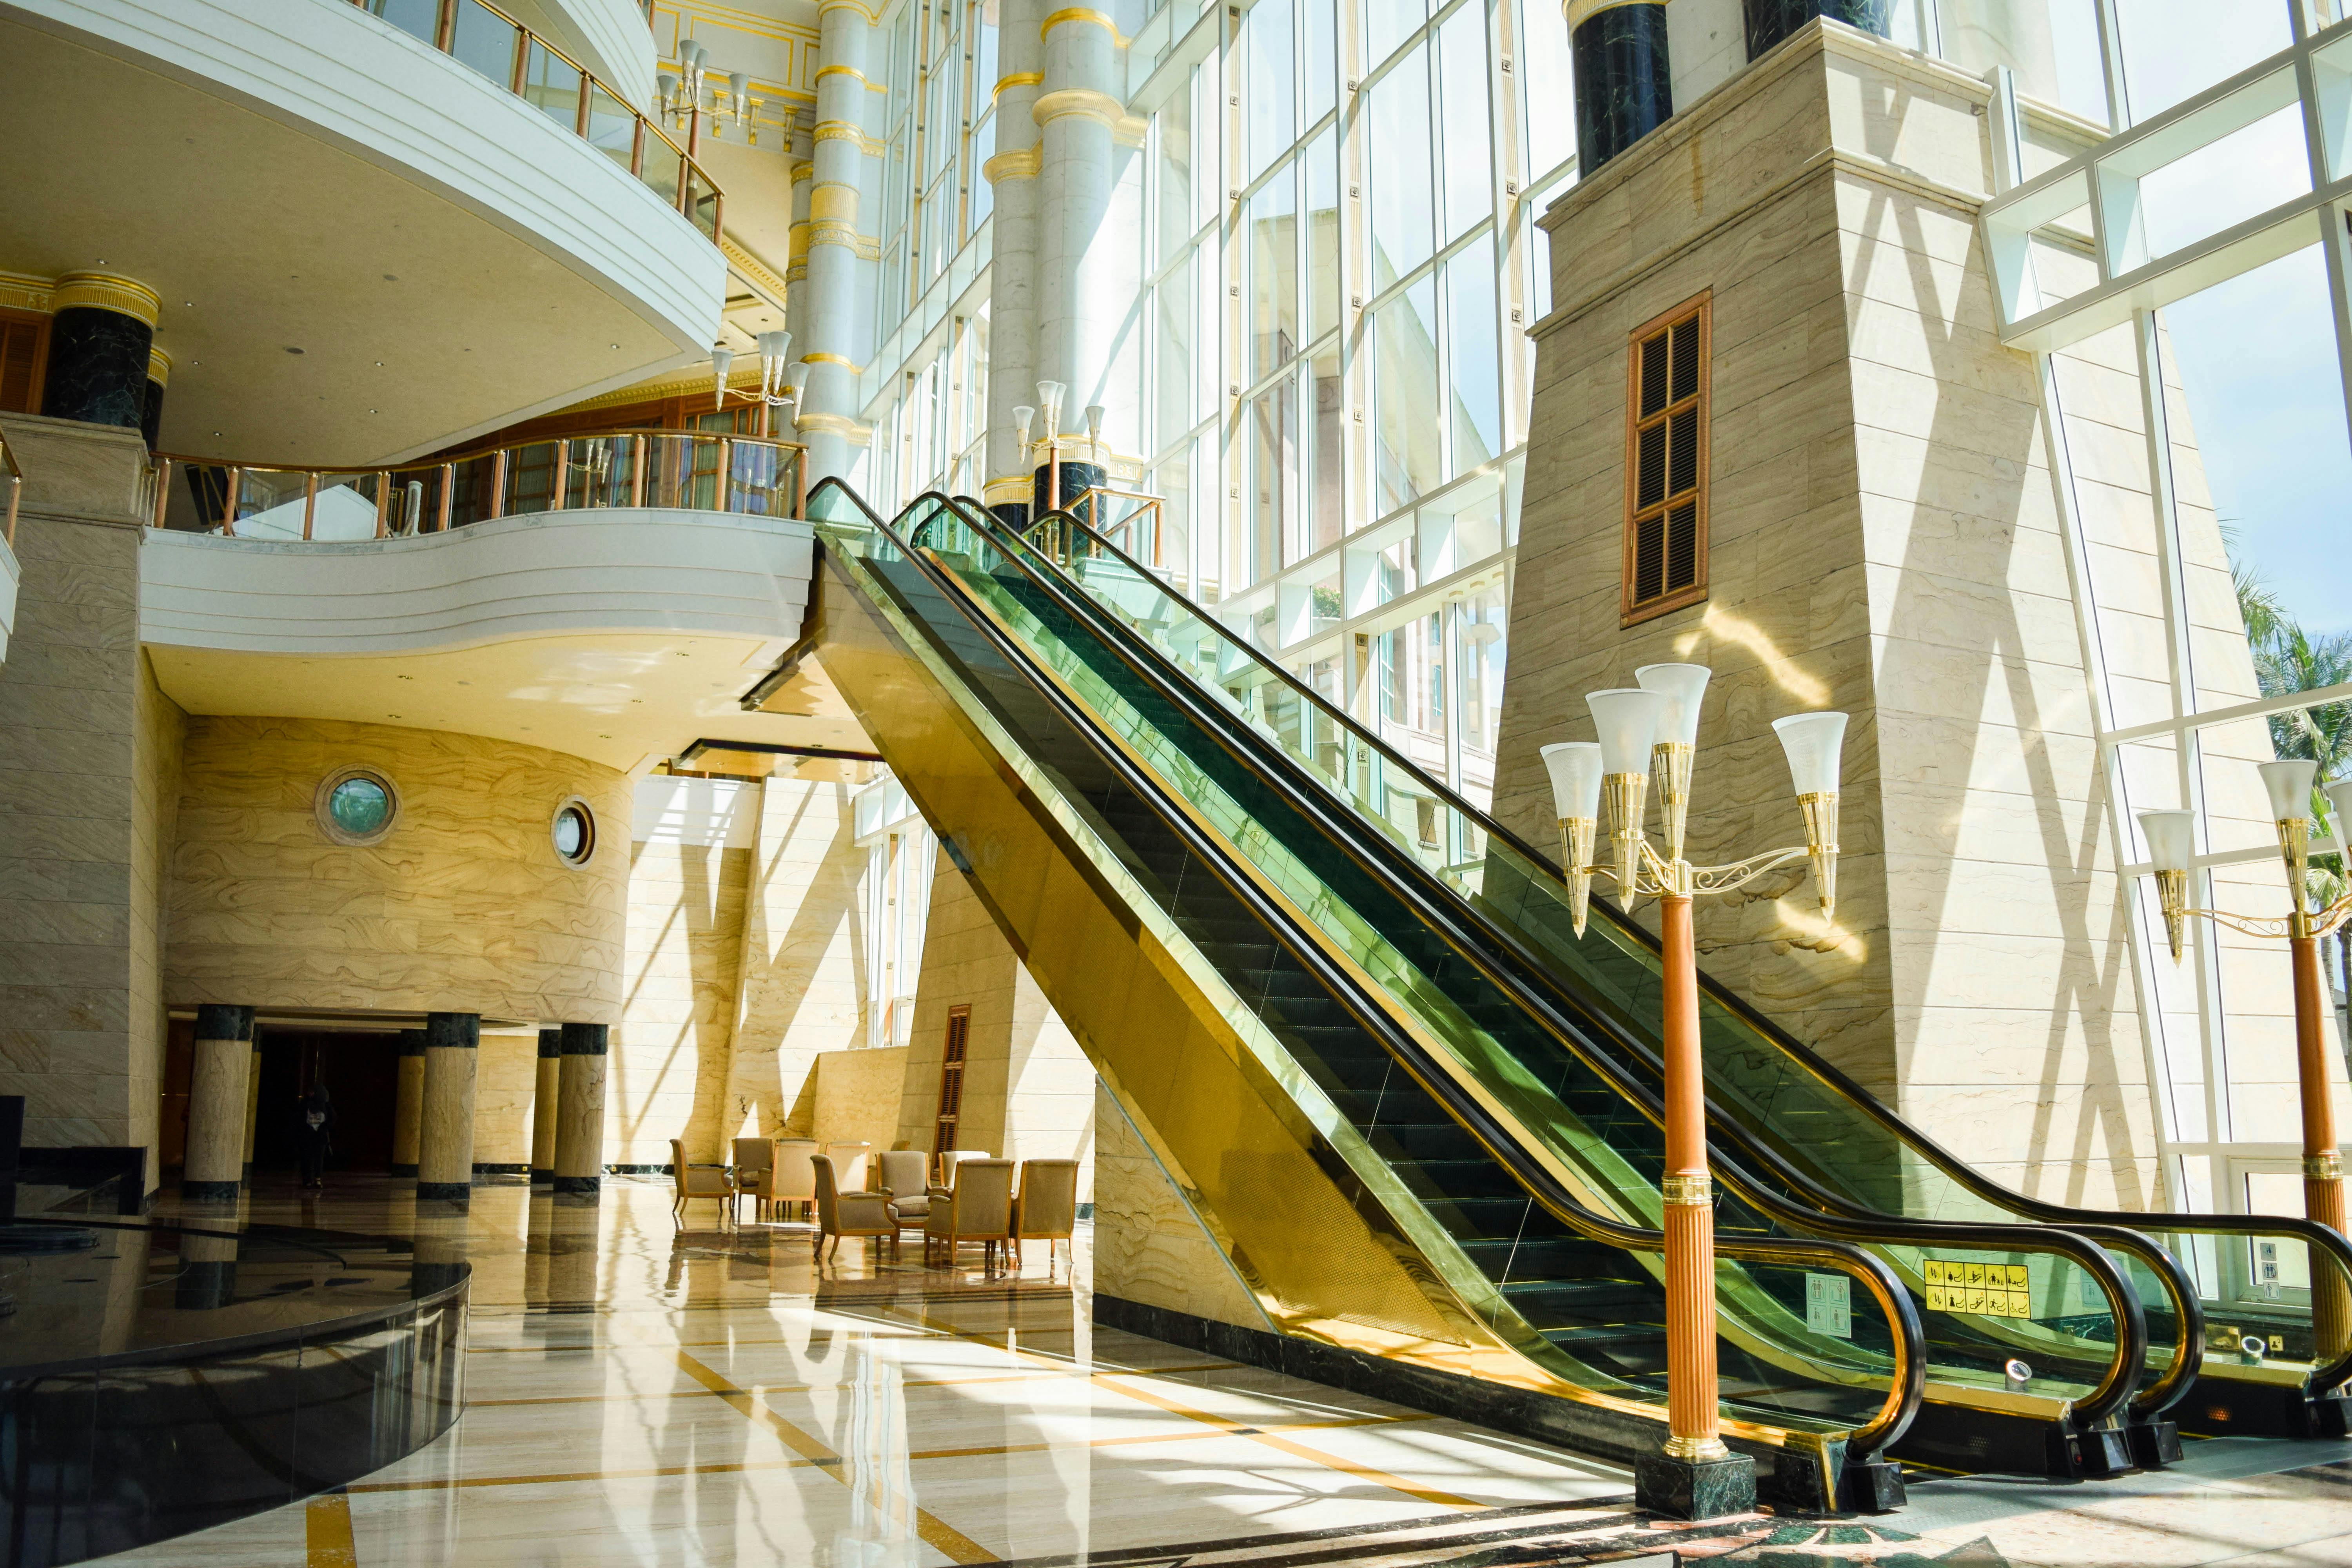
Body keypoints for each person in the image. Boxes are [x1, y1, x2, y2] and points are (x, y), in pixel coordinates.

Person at [296, 1084, 335, 1189]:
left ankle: (316, 1179)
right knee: (309, 1159)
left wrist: (324, 1127)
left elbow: (332, 1118)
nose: (311, 1094)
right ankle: (309, 1180)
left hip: (317, 1137)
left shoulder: (324, 1105)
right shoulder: (306, 1104)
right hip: (311, 1137)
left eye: (313, 1092)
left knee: (317, 1159)